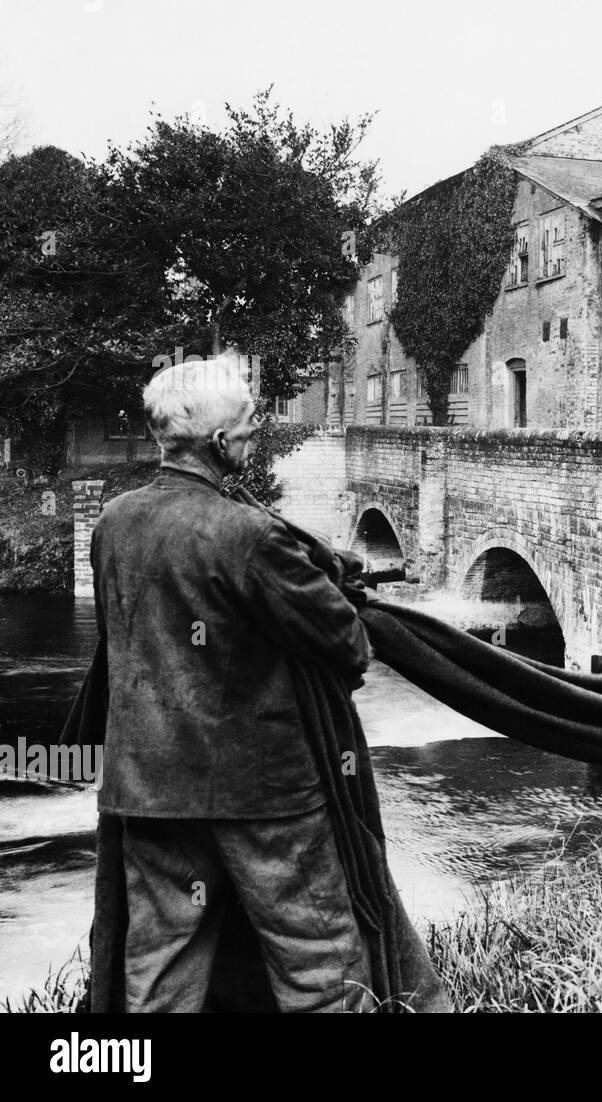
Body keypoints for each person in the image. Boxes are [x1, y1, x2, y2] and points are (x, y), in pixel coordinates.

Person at [91, 355, 375, 1012]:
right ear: (220, 443)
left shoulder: (114, 524)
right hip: (262, 792)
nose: (258, 434)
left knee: (160, 974)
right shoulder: (249, 534)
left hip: (147, 788)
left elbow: (124, 645)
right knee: (319, 964)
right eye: (251, 424)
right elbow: (347, 646)